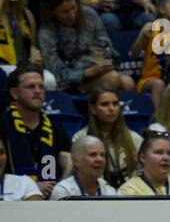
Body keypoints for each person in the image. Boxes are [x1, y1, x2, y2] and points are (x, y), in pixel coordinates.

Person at [38, 0, 121, 95]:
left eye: (74, 8)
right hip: (70, 80)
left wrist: (103, 57)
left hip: (96, 68)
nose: (72, 15)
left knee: (128, 83)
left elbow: (106, 44)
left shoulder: (89, 14)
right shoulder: (46, 31)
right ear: (52, 12)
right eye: (65, 12)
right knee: (112, 78)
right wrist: (86, 73)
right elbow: (55, 70)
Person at [1, 64, 66, 195]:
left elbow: (68, 159)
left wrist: (60, 186)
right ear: (14, 93)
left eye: (41, 87)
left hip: (49, 197)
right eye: (31, 86)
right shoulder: (2, 123)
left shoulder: (54, 127)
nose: (38, 91)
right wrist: (30, 187)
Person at [73, 84, 140, 187]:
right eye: (104, 104)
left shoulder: (134, 138)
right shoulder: (81, 138)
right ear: (93, 109)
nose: (111, 108)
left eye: (115, 104)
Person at [117, 129, 170, 196]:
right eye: (159, 152)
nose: (166, 158)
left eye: (169, 153)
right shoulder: (129, 190)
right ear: (143, 157)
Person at [50, 134, 116, 198]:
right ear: (75, 161)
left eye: (102, 155)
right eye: (93, 155)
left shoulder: (109, 191)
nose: (100, 159)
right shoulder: (63, 191)